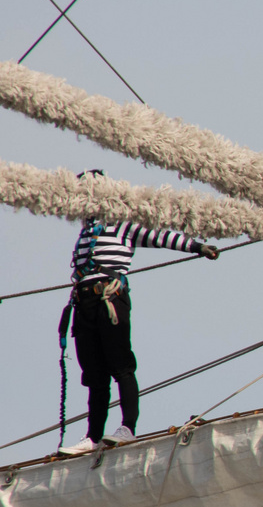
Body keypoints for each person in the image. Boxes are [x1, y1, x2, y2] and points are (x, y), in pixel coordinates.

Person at [57, 171, 219, 457]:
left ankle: (127, 429)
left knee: (121, 366)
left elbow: (159, 237)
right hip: (84, 306)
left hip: (110, 298)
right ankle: (93, 436)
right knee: (94, 376)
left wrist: (197, 247)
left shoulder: (122, 225)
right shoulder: (85, 231)